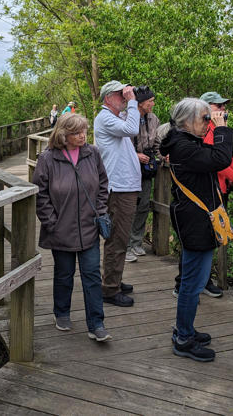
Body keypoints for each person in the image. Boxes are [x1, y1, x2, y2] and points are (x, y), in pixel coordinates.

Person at [159, 97, 233, 362]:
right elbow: (221, 159)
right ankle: (183, 339)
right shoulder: (183, 146)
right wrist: (222, 127)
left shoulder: (185, 142)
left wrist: (214, 126)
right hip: (195, 222)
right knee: (192, 284)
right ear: (187, 121)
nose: (208, 123)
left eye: (209, 118)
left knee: (195, 281)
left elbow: (214, 159)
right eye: (205, 118)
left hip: (196, 220)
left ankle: (186, 329)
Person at [32, 113, 113, 342]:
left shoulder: (92, 153)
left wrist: (100, 211)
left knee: (92, 275)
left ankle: (97, 323)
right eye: (77, 133)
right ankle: (62, 312)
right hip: (61, 229)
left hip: (89, 226)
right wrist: (51, 222)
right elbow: (40, 193)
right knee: (64, 274)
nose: (82, 136)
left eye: (84, 131)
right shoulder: (48, 158)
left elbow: (103, 184)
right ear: (63, 135)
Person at [173, 91, 233, 298]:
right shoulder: (203, 133)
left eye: (223, 107)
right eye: (217, 107)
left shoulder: (208, 130)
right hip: (205, 193)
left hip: (217, 190)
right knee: (197, 241)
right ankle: (186, 285)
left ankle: (202, 281)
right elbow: (219, 159)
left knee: (209, 239)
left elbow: (230, 158)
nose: (222, 110)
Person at [93, 80, 140, 307]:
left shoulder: (115, 118)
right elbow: (133, 129)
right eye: (120, 94)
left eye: (125, 94)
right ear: (107, 98)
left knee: (120, 238)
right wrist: (132, 102)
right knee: (117, 240)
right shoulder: (104, 118)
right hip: (119, 188)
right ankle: (110, 289)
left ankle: (115, 279)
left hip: (125, 187)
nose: (124, 97)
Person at [126, 85, 160, 262]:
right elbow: (121, 145)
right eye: (150, 101)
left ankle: (136, 242)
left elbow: (157, 143)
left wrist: (163, 156)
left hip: (146, 169)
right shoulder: (126, 118)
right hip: (128, 169)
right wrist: (135, 155)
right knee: (128, 206)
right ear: (140, 103)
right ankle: (124, 247)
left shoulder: (154, 119)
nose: (153, 104)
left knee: (143, 205)